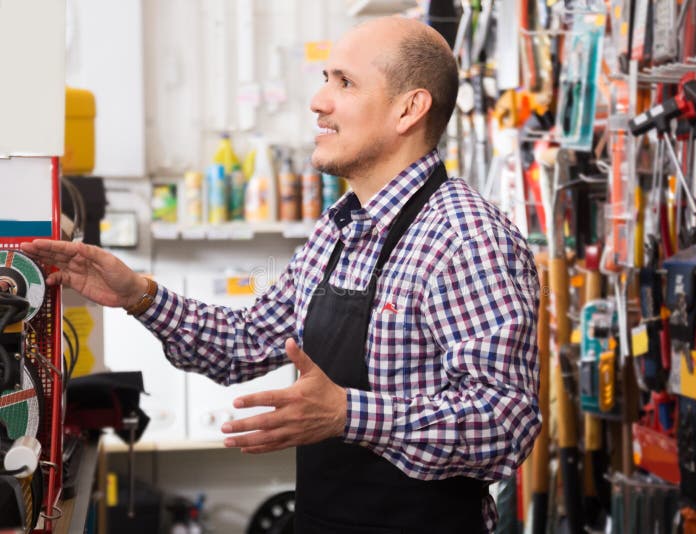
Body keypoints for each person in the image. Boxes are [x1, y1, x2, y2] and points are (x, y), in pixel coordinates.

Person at [23, 16, 541, 533]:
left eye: (345, 83)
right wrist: (139, 295)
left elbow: (505, 422)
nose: (318, 101)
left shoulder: (466, 238)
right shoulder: (338, 227)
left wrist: (348, 414)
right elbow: (246, 342)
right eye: (325, 79)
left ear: (409, 108)